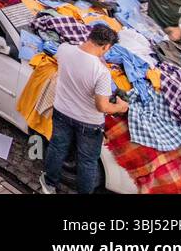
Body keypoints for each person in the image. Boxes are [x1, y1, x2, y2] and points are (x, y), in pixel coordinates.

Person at [40, 24, 129, 195]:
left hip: (61, 112)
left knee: (57, 148)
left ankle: (49, 184)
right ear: (106, 46)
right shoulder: (101, 72)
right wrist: (120, 107)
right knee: (87, 161)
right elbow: (102, 106)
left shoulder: (65, 50)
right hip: (89, 123)